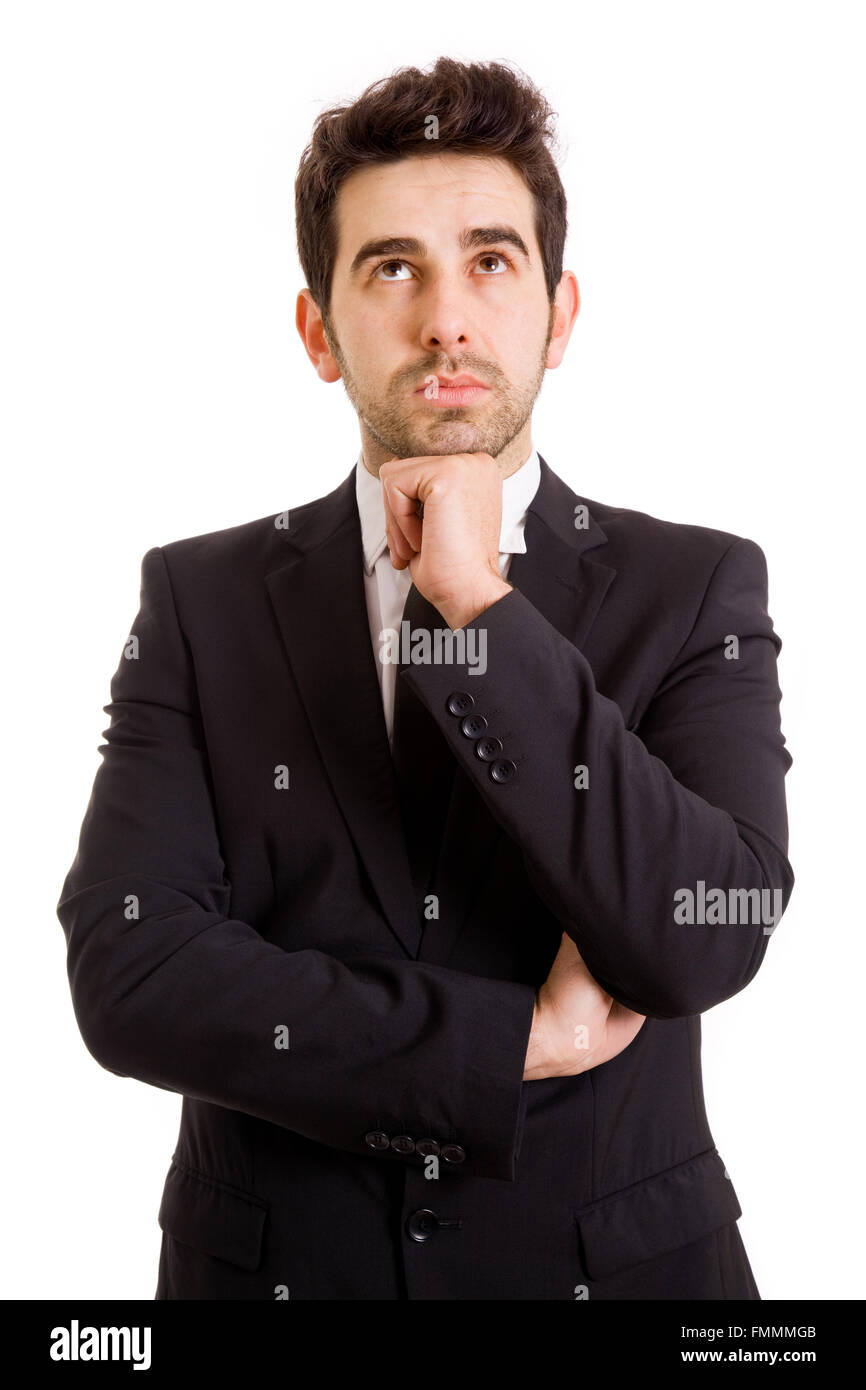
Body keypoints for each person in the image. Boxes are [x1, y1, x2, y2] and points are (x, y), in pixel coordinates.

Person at [57, 56, 794, 1301]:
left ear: (558, 316)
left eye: (489, 262)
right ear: (318, 330)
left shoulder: (697, 588)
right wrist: (515, 1042)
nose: (445, 318)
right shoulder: (199, 600)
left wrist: (474, 603)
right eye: (390, 267)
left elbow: (702, 930)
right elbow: (132, 977)